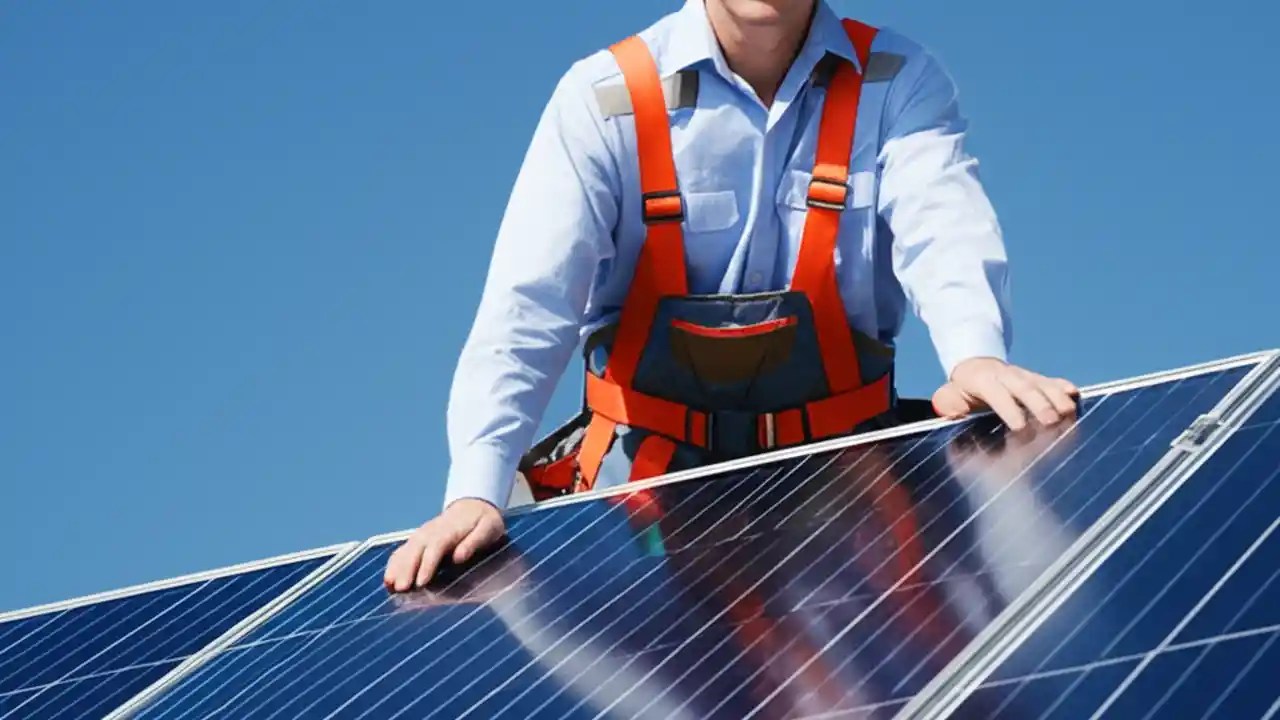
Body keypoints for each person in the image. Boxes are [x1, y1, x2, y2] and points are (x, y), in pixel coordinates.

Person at [384, 0, 1078, 592]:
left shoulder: (896, 81)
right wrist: (474, 488)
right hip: (640, 517)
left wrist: (975, 355)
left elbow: (943, 221)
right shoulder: (605, 98)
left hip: (846, 503)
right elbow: (529, 306)